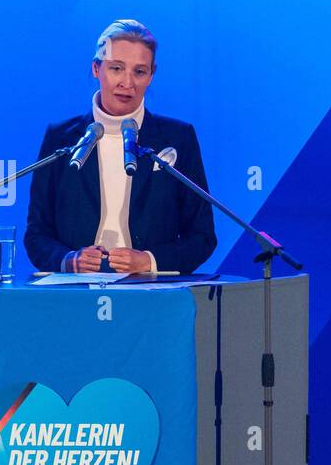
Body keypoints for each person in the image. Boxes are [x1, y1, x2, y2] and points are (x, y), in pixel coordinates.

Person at [25, 19, 216, 274]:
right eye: (116, 68)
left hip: (150, 294)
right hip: (76, 296)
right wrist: (70, 260)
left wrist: (149, 261)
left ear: (151, 75)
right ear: (96, 68)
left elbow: (202, 236)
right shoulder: (61, 139)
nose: (127, 83)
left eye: (139, 72)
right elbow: (37, 235)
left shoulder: (178, 138)